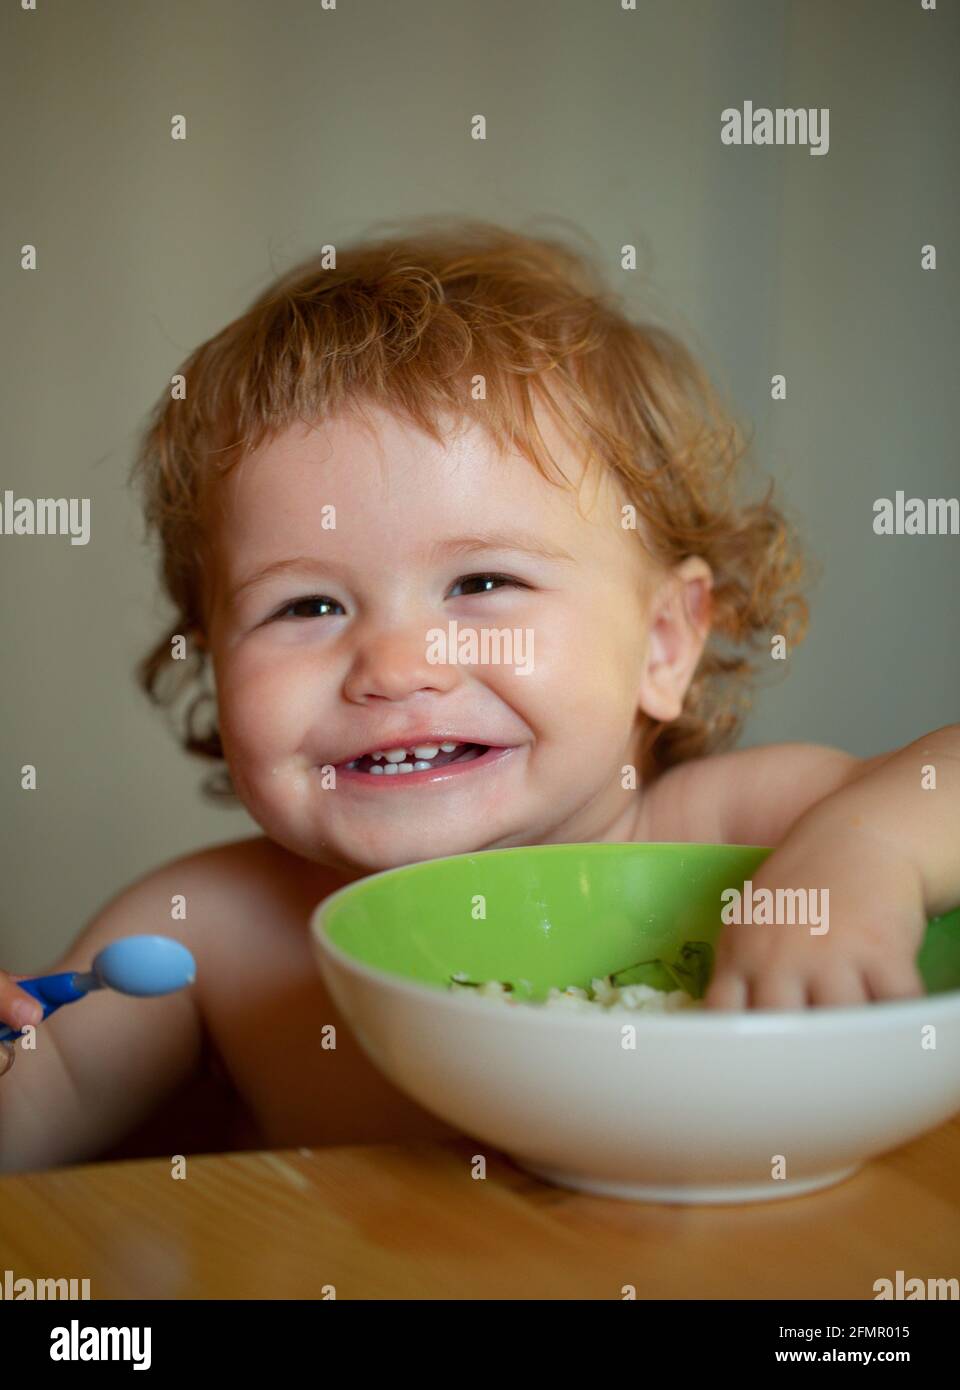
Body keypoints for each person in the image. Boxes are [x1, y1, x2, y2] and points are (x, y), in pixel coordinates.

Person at [2, 219, 955, 1170]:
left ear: (664, 642)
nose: (395, 665)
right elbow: (32, 1129)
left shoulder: (733, 837)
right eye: (307, 603)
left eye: (480, 585)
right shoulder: (202, 935)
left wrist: (862, 854)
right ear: (212, 660)